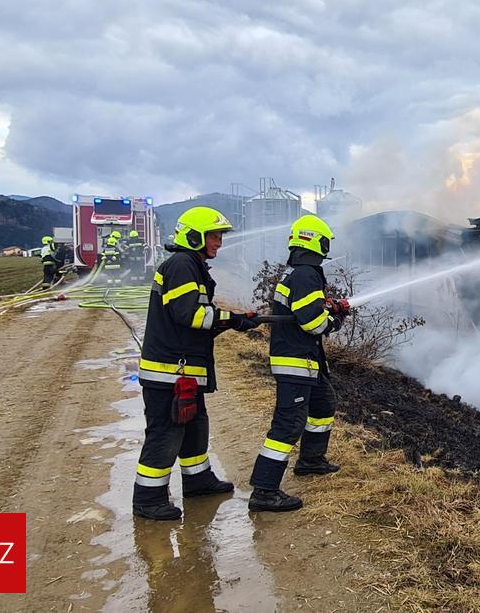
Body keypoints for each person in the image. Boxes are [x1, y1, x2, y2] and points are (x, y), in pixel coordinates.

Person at [132, 206, 259, 521]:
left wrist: (234, 321)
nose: (219, 243)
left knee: (194, 425)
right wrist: (232, 319)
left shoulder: (191, 265)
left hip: (182, 369)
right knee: (166, 432)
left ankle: (198, 480)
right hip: (169, 373)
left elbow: (196, 316)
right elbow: (190, 315)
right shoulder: (181, 265)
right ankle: (148, 499)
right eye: (214, 236)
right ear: (195, 236)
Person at [248, 214, 349, 512]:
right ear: (317, 241)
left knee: (322, 404)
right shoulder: (307, 273)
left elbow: (305, 310)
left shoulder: (299, 272)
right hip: (295, 360)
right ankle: (264, 491)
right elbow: (314, 323)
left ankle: (311, 460)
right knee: (288, 423)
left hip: (305, 358)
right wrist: (337, 317)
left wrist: (329, 307)